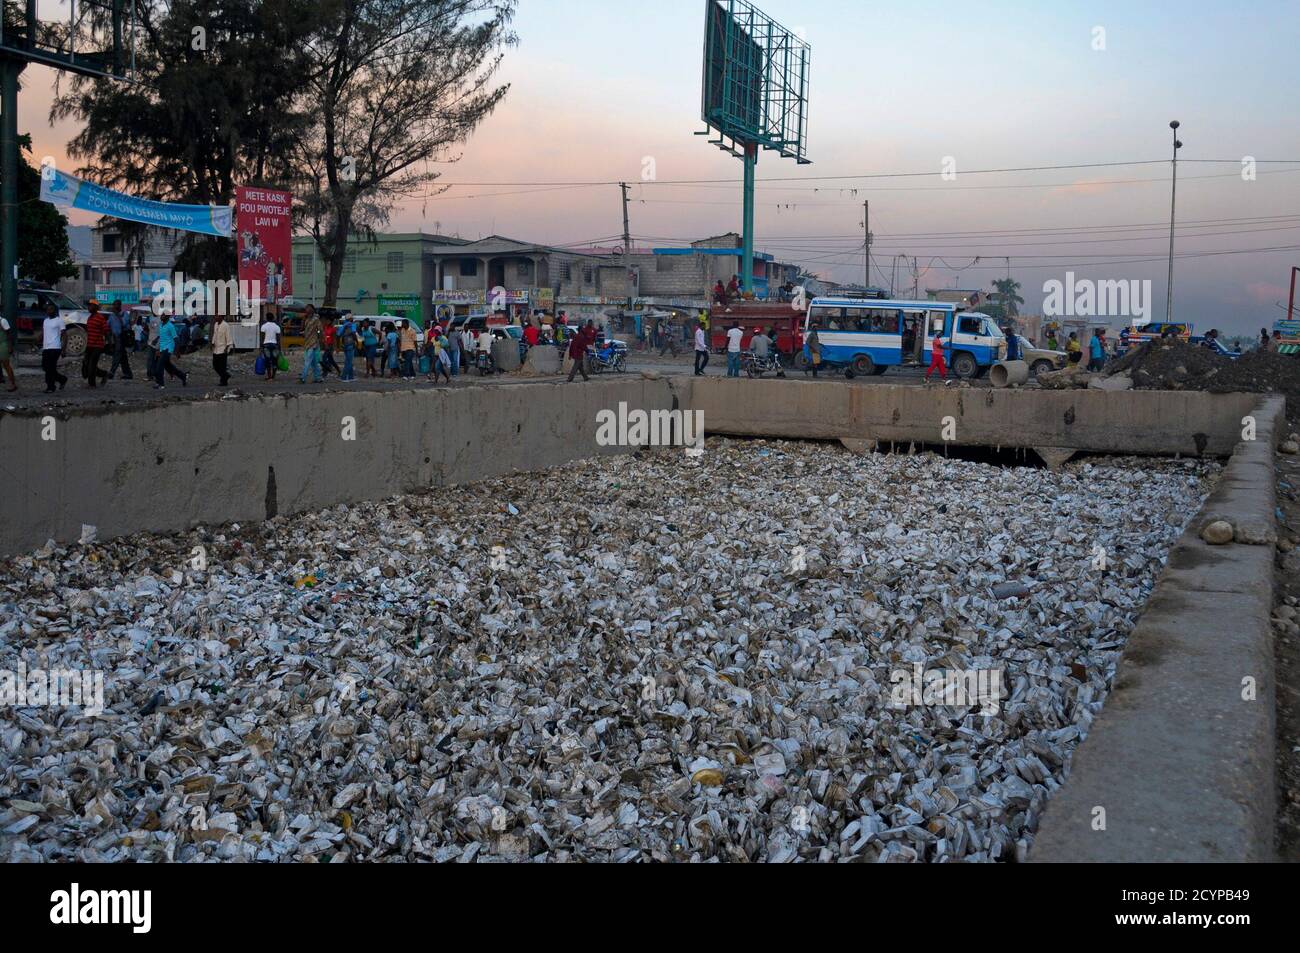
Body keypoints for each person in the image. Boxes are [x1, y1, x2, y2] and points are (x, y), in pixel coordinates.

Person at [155, 313, 188, 388]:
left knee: (159, 366)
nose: (161, 316)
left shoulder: (170, 326)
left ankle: (161, 384)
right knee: (169, 367)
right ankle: (183, 376)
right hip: (162, 349)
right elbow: (162, 338)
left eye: (163, 315)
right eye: (161, 315)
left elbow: (176, 339)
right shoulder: (161, 325)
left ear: (167, 316)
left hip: (168, 349)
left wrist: (177, 351)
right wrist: (158, 349)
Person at [41, 303, 68, 393]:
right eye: (48, 309)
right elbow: (44, 332)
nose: (49, 311)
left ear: (55, 311)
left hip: (55, 347)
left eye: (51, 309)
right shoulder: (45, 321)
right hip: (46, 347)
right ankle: (62, 379)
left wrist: (63, 349)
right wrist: (36, 339)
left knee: (50, 368)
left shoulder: (59, 321)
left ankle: (51, 387)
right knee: (45, 367)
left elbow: (64, 335)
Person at [82, 302, 110, 388]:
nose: (88, 307)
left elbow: (106, 331)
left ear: (95, 307)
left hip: (98, 345)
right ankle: (104, 374)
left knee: (92, 365)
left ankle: (92, 384)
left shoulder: (100, 318)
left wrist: (109, 343)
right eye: (88, 305)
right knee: (86, 364)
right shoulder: (90, 318)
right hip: (90, 345)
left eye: (90, 305)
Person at [107, 301, 133, 380]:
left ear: (120, 305)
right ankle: (128, 374)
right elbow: (108, 325)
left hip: (122, 337)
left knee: (117, 355)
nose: (114, 306)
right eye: (114, 305)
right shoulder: (111, 315)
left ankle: (111, 373)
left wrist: (117, 315)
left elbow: (124, 324)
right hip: (115, 338)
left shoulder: (124, 314)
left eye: (116, 305)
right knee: (123, 357)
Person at [300, 305, 323, 384]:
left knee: (307, 361)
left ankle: (303, 377)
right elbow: (302, 329)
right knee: (314, 362)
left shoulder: (316, 319)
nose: (307, 309)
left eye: (308, 308)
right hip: (308, 342)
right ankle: (318, 378)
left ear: (313, 310)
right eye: (306, 308)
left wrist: (319, 337)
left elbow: (320, 330)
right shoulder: (306, 319)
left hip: (313, 343)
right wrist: (303, 319)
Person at [211, 313, 233, 385]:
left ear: (221, 317)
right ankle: (225, 376)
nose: (215, 317)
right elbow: (214, 334)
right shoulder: (216, 324)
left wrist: (227, 348)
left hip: (223, 349)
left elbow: (228, 337)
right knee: (215, 365)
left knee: (222, 366)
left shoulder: (226, 325)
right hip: (216, 349)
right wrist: (212, 343)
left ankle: (223, 381)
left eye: (217, 316)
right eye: (215, 316)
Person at [260, 312, 282, 380]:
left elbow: (262, 337)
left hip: (266, 345)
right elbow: (278, 339)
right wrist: (279, 348)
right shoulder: (277, 327)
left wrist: (261, 346)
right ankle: (273, 376)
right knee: (275, 361)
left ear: (266, 318)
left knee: (267, 361)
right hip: (275, 345)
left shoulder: (263, 326)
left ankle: (269, 376)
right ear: (273, 318)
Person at [339, 315, 358, 382]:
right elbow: (353, 333)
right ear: (350, 319)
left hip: (345, 345)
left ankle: (351, 376)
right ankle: (344, 377)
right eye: (352, 318)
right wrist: (357, 341)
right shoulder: (352, 325)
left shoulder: (343, 325)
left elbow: (338, 334)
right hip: (350, 344)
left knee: (348, 360)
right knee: (349, 362)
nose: (353, 319)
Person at [0, 314, 16, 391]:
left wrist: (10, 347)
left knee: (6, 365)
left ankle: (13, 384)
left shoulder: (3, 320)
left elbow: (9, 334)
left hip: (3, 344)